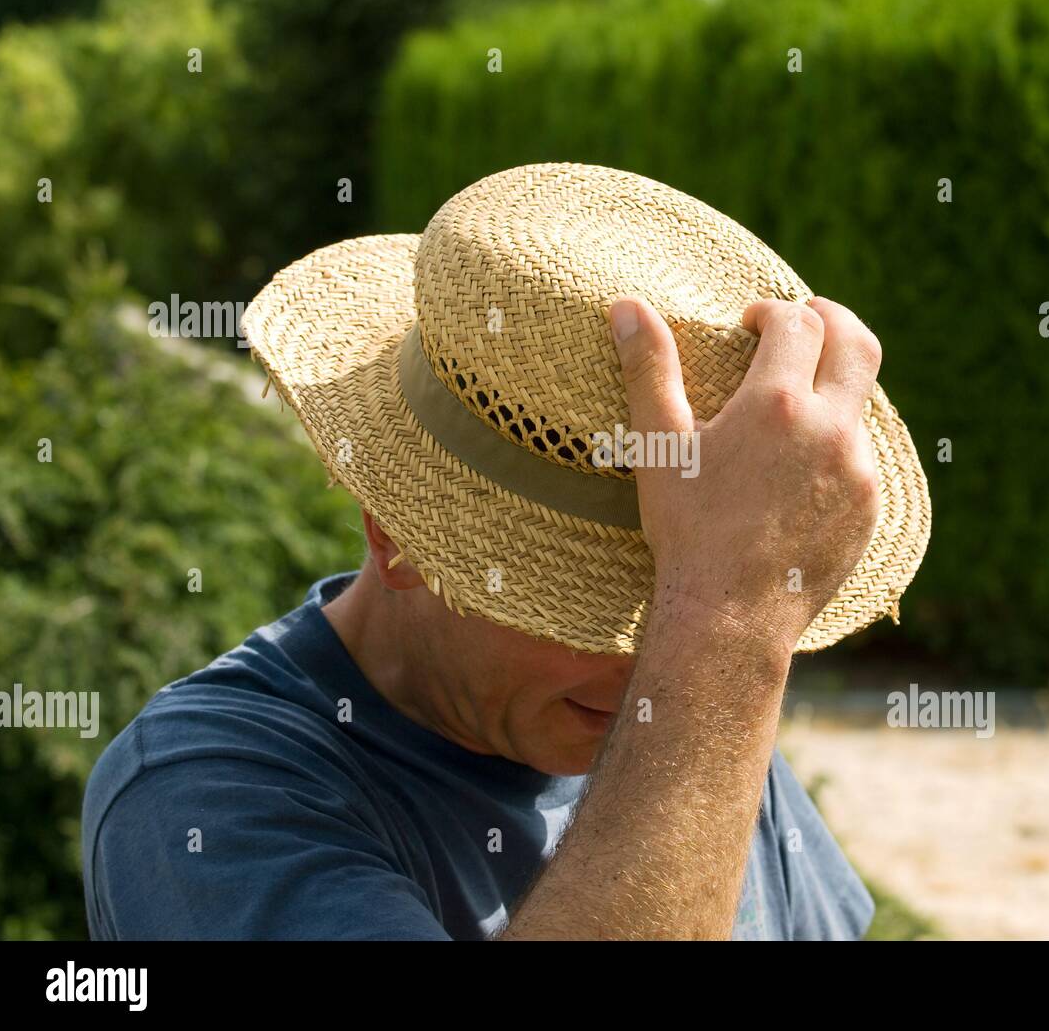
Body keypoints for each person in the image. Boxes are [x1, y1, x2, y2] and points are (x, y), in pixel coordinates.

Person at [82, 163, 929, 940]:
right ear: (398, 533)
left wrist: (718, 633)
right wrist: (720, 620)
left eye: (660, 598)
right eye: (589, 609)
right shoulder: (203, 797)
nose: (646, 660)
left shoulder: (688, 691)